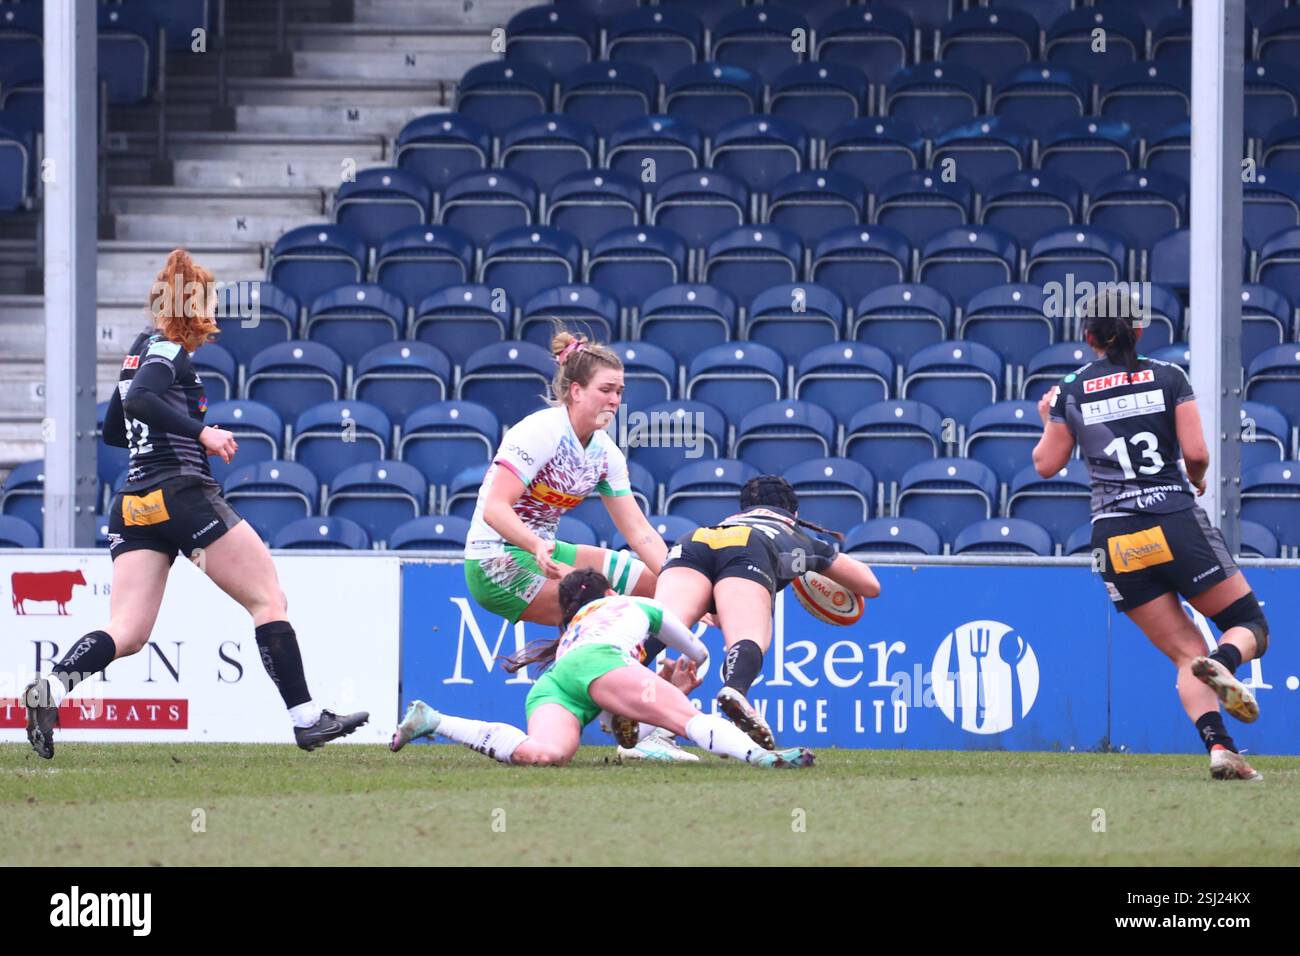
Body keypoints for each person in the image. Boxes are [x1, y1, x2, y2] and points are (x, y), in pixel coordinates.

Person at [23, 249, 368, 758]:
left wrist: (165, 425)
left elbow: (118, 427)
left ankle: (51, 688)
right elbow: (140, 401)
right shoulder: (167, 350)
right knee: (267, 599)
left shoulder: (140, 348)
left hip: (135, 503)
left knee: (128, 631)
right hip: (180, 494)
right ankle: (306, 718)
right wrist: (201, 431)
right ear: (197, 307)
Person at [1032, 296, 1269, 781]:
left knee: (1185, 653)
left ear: (1089, 338)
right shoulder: (1168, 376)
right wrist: (1197, 479)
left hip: (1113, 537)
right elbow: (1198, 453)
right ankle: (1223, 662)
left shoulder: (1069, 390)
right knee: (1249, 624)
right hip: (1173, 519)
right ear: (1139, 332)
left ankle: (1220, 748)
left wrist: (1048, 417)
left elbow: (1046, 464)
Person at [462, 328, 693, 761]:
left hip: (540, 549)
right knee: (606, 621)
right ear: (574, 390)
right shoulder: (541, 431)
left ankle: (622, 714)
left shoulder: (606, 453)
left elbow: (640, 534)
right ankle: (637, 731)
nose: (615, 401)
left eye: (620, 392)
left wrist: (686, 584)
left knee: (651, 589)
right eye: (606, 390)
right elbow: (494, 508)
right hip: (495, 560)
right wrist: (533, 544)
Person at [392, 568, 816, 769]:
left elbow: (620, 717)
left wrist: (659, 690)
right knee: (687, 719)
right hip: (601, 666)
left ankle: (435, 719)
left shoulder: (574, 630)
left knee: (546, 754)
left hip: (554, 685)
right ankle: (762, 757)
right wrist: (690, 672)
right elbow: (693, 650)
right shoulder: (636, 604)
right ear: (610, 590)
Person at [652, 475, 882, 750]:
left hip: (693, 541)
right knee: (748, 636)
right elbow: (870, 585)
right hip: (753, 547)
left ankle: (612, 677)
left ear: (745, 507)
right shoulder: (797, 537)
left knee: (662, 624)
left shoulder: (729, 522)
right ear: (794, 512)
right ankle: (736, 689)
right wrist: (811, 564)